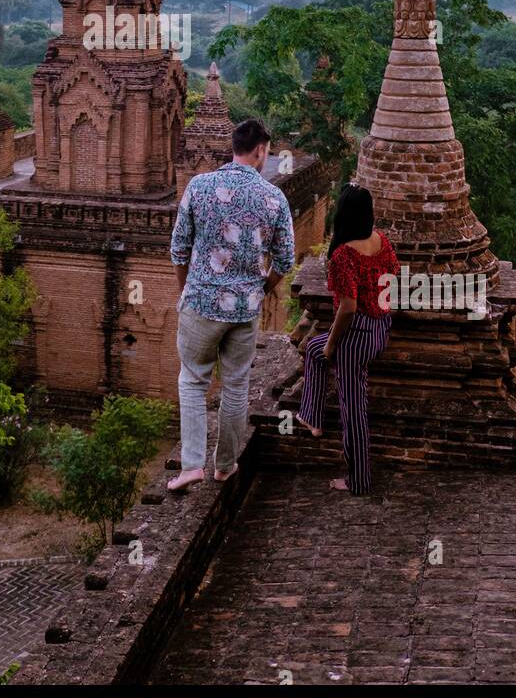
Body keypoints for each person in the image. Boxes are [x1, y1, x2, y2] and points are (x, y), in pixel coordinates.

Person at [167, 117, 295, 491]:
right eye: (267, 152)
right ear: (259, 151)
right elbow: (285, 260)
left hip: (200, 303)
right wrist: (262, 289)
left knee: (192, 381)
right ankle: (225, 465)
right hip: (244, 309)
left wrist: (186, 289)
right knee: (236, 387)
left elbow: (179, 249)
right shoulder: (273, 197)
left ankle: (192, 465)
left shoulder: (199, 186)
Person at [296, 181, 399, 496]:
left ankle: (359, 481)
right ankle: (311, 417)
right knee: (312, 350)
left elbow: (348, 308)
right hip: (381, 328)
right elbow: (393, 279)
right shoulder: (381, 241)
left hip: (357, 338)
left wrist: (332, 346)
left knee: (352, 408)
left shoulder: (343, 255)